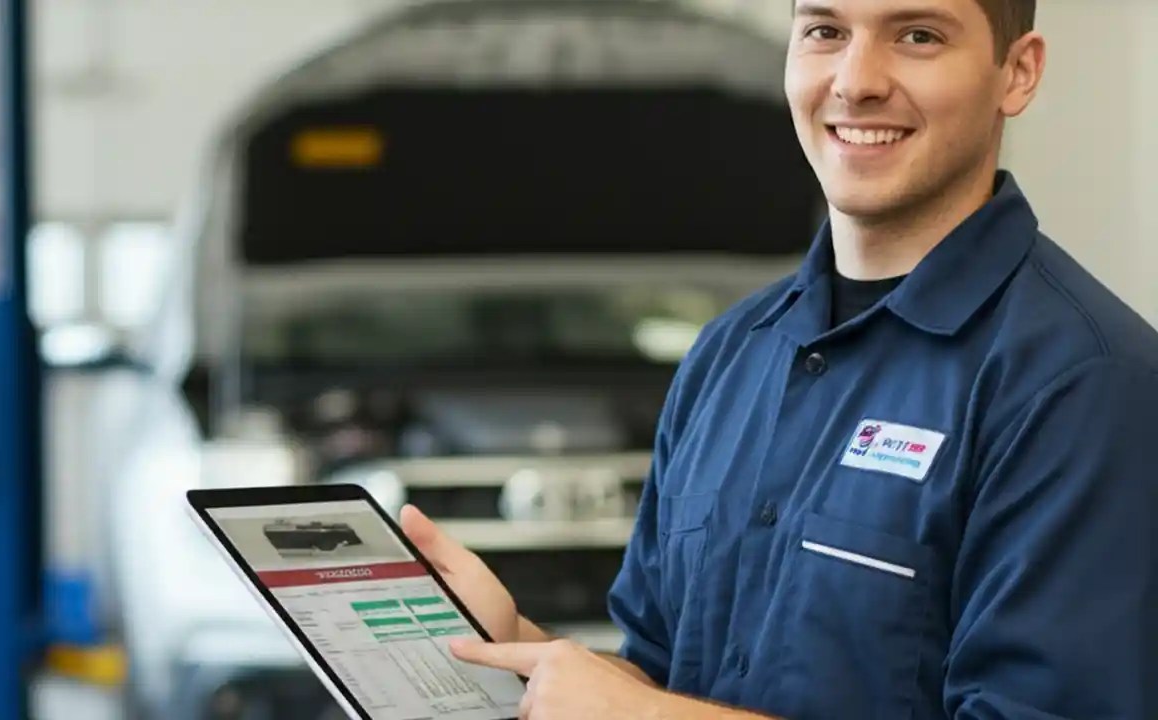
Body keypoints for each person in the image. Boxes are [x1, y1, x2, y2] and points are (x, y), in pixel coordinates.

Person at [400, 0, 1158, 716]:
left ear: (1017, 72)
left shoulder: (1085, 384)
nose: (857, 82)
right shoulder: (731, 352)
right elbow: (663, 676)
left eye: (917, 35)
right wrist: (515, 647)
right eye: (825, 31)